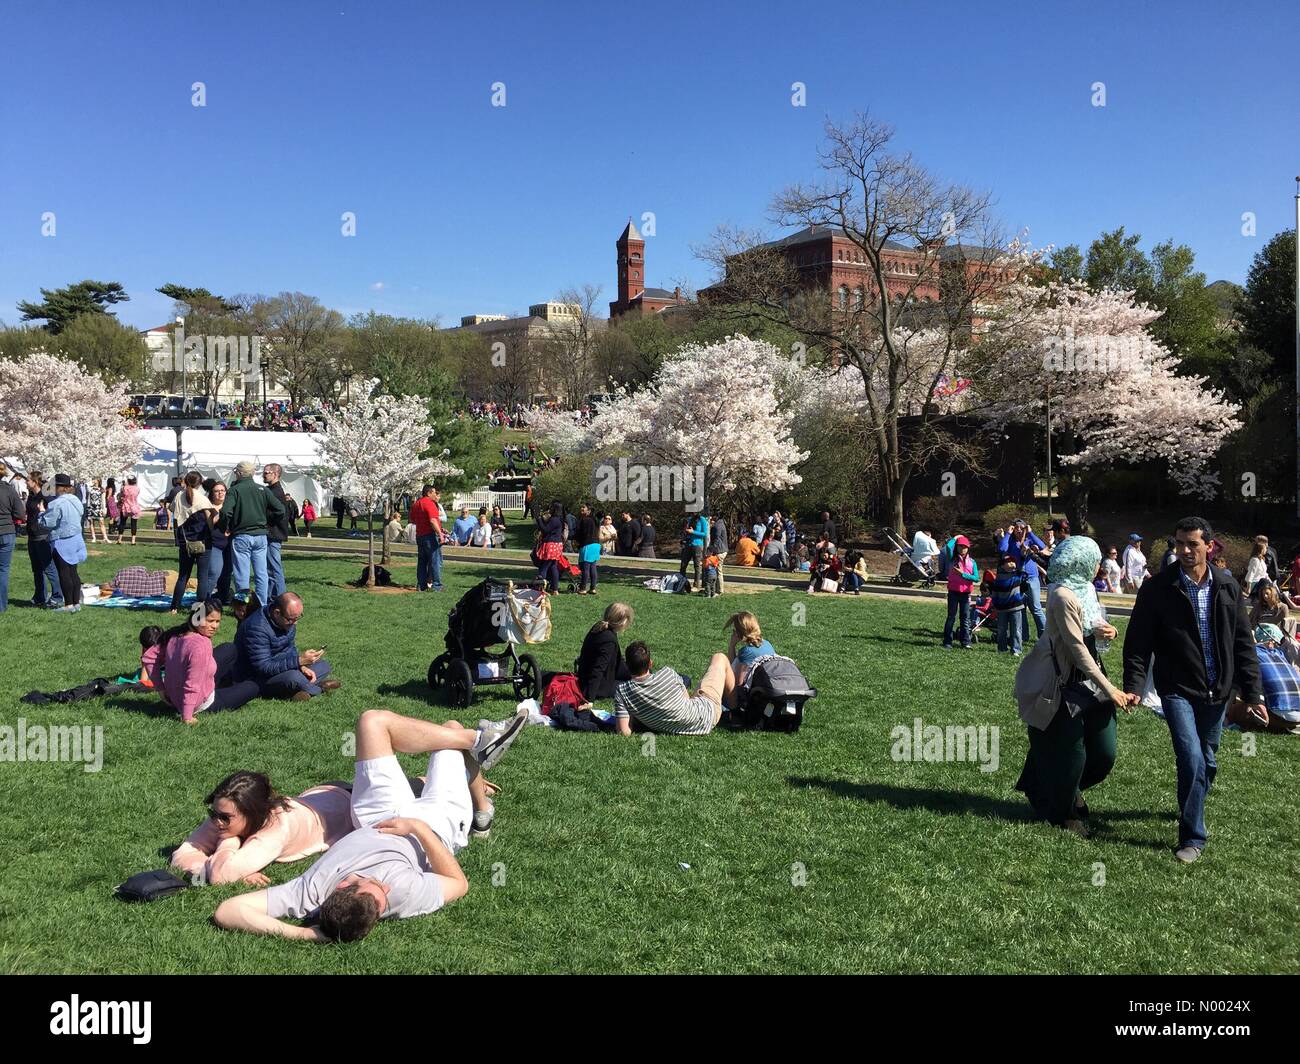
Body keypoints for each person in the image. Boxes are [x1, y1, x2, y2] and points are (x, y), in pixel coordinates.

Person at [212, 707, 527, 941]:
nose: (386, 888)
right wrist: (419, 829)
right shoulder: (401, 895)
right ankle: (481, 807)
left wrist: (305, 935)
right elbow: (459, 884)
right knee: (449, 729)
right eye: (382, 900)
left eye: (376, 888)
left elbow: (227, 910)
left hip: (377, 816)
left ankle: (477, 741)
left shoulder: (307, 893)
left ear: (342, 885)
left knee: (371, 722)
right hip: (436, 826)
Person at [1123, 516, 1264, 863]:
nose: (1184, 551)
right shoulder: (1158, 589)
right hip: (1176, 689)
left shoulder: (1227, 586)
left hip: (1218, 690)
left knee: (1207, 759)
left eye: (1192, 544)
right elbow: (1138, 641)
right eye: (1179, 544)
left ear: (1209, 546)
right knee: (1190, 757)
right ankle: (1192, 837)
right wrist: (1134, 685)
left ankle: (1194, 795)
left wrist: (1252, 692)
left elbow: (1243, 643)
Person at [1015, 537, 1137, 835]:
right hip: (1060, 680)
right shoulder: (1062, 595)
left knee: (1104, 752)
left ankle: (1063, 788)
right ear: (1080, 561)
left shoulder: (1086, 590)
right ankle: (1064, 814)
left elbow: (1089, 628)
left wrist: (1104, 630)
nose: (1098, 566)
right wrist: (1110, 689)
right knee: (1072, 752)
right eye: (1094, 560)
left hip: (1089, 677)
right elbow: (1075, 648)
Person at [171, 772, 356, 886]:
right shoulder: (226, 815)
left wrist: (229, 843)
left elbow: (220, 875)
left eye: (225, 818)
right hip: (319, 796)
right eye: (214, 813)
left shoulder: (278, 829)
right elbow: (182, 854)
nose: (217, 822)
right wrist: (237, 870)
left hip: (352, 804)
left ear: (253, 813)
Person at [141, 599, 261, 723]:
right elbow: (192, 684)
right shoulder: (200, 645)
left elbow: (149, 658)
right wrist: (187, 716)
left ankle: (220, 684)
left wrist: (162, 690)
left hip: (174, 696)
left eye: (217, 621)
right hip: (197, 704)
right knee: (253, 687)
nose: (214, 626)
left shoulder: (176, 633)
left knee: (229, 649)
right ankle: (216, 690)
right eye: (210, 621)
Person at [234, 592, 341, 701]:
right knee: (294, 677)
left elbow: (289, 648)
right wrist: (298, 662)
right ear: (277, 613)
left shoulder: (287, 620)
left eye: (298, 618)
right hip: (256, 677)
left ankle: (302, 690)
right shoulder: (256, 628)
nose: (295, 623)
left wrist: (302, 666)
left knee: (323, 665)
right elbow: (263, 667)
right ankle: (319, 688)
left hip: (280, 667)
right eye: (291, 619)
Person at [613, 641, 733, 736]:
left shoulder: (623, 691)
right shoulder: (667, 673)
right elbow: (687, 699)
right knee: (720, 658)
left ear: (627, 666)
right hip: (707, 714)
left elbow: (624, 732)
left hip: (690, 722)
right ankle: (737, 708)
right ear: (650, 663)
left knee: (703, 687)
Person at [221, 461, 284, 605]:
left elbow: (225, 512)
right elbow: (280, 509)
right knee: (261, 573)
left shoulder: (234, 490)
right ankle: (262, 604)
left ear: (239, 473)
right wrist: (265, 521)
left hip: (242, 535)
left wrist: (227, 525)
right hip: (261, 536)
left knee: (241, 574)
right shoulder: (262, 489)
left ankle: (244, 605)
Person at [38, 474, 87, 612]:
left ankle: (68, 605)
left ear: (59, 488)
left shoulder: (56, 503)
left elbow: (48, 523)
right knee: (73, 572)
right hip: (76, 539)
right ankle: (76, 603)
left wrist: (41, 513)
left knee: (63, 573)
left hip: (62, 541)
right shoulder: (76, 500)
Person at [170, 471, 215, 613]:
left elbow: (172, 509)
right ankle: (200, 608)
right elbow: (209, 520)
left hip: (185, 541)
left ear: (186, 481)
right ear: (200, 483)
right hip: (202, 541)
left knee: (183, 575)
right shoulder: (202, 499)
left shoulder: (179, 496)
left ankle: (174, 607)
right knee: (203, 576)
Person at [998, 520, 1047, 640]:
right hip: (1017, 578)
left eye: (1021, 527)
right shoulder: (1010, 541)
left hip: (1031, 578)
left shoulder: (1029, 539)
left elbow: (1042, 546)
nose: (1019, 529)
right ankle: (1023, 636)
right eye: (1016, 528)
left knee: (1036, 608)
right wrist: (1008, 534)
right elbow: (1002, 549)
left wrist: (1030, 533)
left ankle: (1045, 636)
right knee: (1021, 609)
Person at [575, 602, 634, 700]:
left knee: (640, 674)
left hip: (587, 676)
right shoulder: (609, 640)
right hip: (600, 686)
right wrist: (589, 699)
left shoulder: (599, 627)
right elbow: (598, 670)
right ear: (622, 622)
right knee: (634, 687)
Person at [24, 472, 63, 609]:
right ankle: (40, 596)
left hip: (42, 536)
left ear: (35, 482)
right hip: (32, 536)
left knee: (49, 567)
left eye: (28, 480)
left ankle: (58, 596)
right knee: (36, 569)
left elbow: (54, 513)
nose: (26, 482)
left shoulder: (46, 496)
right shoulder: (31, 496)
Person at [724, 612, 775, 701]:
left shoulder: (746, 652)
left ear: (739, 632)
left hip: (752, 699)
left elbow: (739, 684)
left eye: (734, 630)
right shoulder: (767, 644)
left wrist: (731, 645)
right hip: (769, 692)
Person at [942, 535, 979, 649]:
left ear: (968, 548)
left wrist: (962, 574)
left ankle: (965, 642)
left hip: (965, 593)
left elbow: (976, 578)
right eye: (959, 546)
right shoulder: (952, 559)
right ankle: (947, 641)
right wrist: (956, 537)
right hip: (953, 592)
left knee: (965, 618)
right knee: (951, 617)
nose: (962, 549)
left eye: (964, 547)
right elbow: (948, 547)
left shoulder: (972, 562)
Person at [261, 463, 292, 599]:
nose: (264, 474)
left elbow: (281, 513)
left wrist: (264, 519)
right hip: (272, 533)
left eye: (266, 472)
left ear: (275, 474)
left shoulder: (276, 492)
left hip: (274, 534)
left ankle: (281, 598)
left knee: (274, 568)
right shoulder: (272, 490)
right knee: (269, 569)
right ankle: (271, 597)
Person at [203, 478, 233, 606]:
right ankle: (205, 599)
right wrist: (221, 513)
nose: (220, 493)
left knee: (227, 573)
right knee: (214, 572)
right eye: (217, 491)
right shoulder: (208, 506)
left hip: (229, 543)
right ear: (212, 493)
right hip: (214, 543)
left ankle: (224, 597)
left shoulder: (231, 506)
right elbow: (210, 524)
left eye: (223, 490)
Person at [991, 554, 1029, 656]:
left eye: (1013, 561)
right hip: (1001, 608)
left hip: (1016, 607)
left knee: (1016, 629)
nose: (1012, 563)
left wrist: (1023, 556)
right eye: (1008, 561)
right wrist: (994, 604)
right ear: (1002, 565)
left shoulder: (1017, 575)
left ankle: (1016, 649)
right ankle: (1002, 648)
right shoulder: (998, 579)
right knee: (1002, 629)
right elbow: (994, 593)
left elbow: (1023, 568)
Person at [410, 485, 444, 592]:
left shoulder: (416, 504)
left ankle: (421, 585)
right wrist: (440, 533)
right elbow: (433, 521)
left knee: (422, 561)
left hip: (420, 535)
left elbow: (413, 520)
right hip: (430, 536)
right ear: (429, 493)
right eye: (434, 492)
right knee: (435, 561)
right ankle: (437, 585)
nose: (435, 495)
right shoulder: (429, 503)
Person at [0, 471, 21, 613]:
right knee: (3, 569)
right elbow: (20, 513)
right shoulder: (9, 490)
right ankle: (1, 605)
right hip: (6, 531)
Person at [534, 502, 566, 593]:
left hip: (551, 544)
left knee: (544, 566)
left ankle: (540, 588)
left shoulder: (554, 519)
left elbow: (545, 530)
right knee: (553, 566)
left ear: (554, 509)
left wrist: (539, 519)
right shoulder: (559, 519)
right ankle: (555, 589)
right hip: (557, 544)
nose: (549, 509)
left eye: (551, 508)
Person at [575, 504, 600, 594]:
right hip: (596, 545)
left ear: (589, 510)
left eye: (583, 507)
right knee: (593, 567)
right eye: (581, 507)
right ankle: (593, 588)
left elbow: (579, 534)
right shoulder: (595, 520)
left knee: (585, 568)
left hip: (587, 545)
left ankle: (583, 588)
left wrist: (577, 543)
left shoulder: (584, 520)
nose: (581, 509)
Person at [680, 511, 708, 589]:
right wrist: (686, 532)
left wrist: (693, 532)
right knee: (683, 564)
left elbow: (704, 533)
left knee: (697, 565)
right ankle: (682, 582)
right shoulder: (689, 519)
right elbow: (686, 530)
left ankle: (696, 585)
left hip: (697, 545)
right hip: (688, 544)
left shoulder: (702, 520)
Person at [115, 476, 141, 544]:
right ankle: (133, 540)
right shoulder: (137, 488)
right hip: (134, 506)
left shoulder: (124, 488)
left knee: (122, 523)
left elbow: (121, 495)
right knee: (134, 524)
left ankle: (119, 539)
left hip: (125, 506)